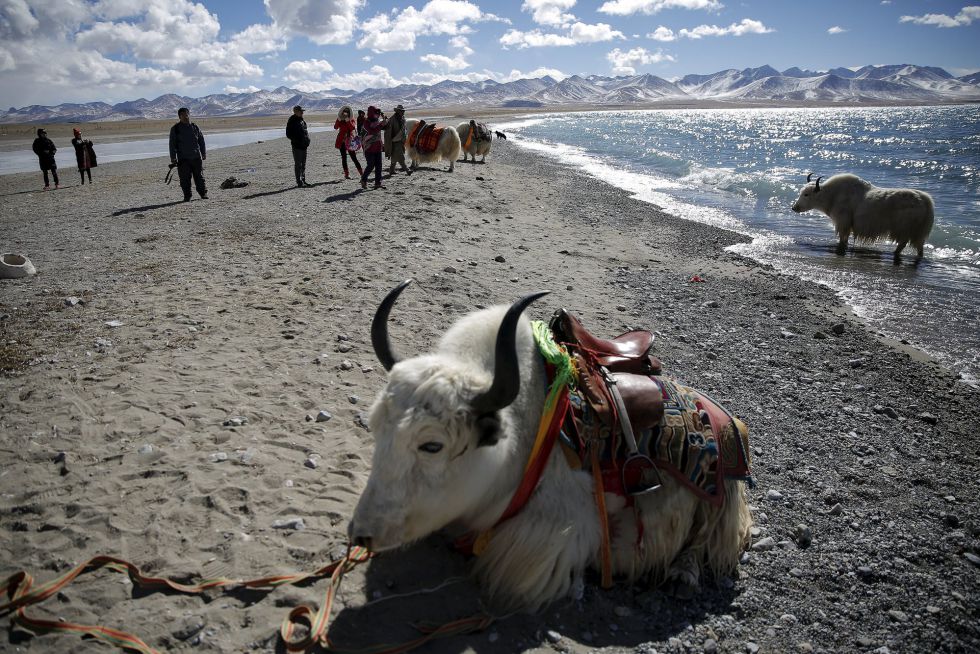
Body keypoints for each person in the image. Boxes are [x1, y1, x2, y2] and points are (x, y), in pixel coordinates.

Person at [168, 107, 208, 202]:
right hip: (183, 159)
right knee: (185, 179)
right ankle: (187, 196)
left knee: (200, 177)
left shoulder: (194, 127)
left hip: (196, 157)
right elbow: (172, 144)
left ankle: (203, 194)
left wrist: (203, 152)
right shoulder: (175, 129)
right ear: (179, 117)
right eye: (182, 115)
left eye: (186, 114)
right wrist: (173, 158)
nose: (185, 116)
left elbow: (201, 141)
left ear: (189, 114)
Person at [360, 106, 387, 190]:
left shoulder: (377, 121)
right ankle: (363, 179)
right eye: (375, 113)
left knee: (379, 166)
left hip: (378, 147)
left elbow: (383, 128)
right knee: (371, 165)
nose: (377, 115)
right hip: (369, 147)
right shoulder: (366, 122)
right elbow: (372, 131)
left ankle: (377, 183)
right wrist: (381, 125)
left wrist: (385, 121)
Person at [333, 106, 363, 180]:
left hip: (350, 141)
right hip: (342, 142)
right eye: (344, 111)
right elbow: (335, 127)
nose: (345, 113)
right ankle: (346, 174)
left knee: (354, 158)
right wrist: (339, 119)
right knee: (344, 158)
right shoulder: (340, 120)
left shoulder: (351, 119)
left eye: (347, 112)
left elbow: (352, 128)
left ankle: (362, 173)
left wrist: (347, 120)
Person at [286, 105, 311, 187]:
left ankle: (303, 180)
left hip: (304, 146)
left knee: (303, 164)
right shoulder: (292, 121)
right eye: (301, 111)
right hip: (297, 147)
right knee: (298, 165)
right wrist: (298, 141)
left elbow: (305, 132)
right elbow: (288, 134)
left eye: (302, 111)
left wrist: (307, 140)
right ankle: (299, 182)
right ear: (296, 112)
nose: (302, 112)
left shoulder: (302, 120)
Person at [384, 104, 410, 176]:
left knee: (395, 157)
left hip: (400, 140)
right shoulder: (392, 120)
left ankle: (391, 170)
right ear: (398, 111)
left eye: (403, 111)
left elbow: (404, 129)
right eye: (401, 111)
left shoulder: (403, 119)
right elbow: (388, 131)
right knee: (401, 157)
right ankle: (407, 170)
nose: (403, 112)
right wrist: (390, 141)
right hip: (394, 141)